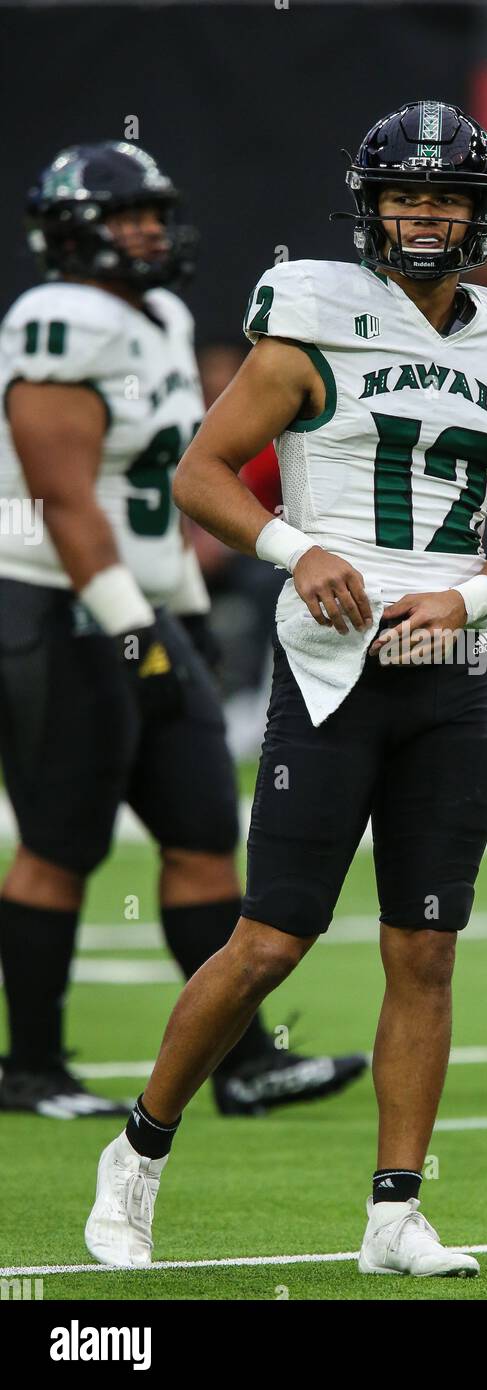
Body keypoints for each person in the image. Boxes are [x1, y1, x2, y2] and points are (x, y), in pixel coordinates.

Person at [85, 100, 487, 1276]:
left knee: (427, 948)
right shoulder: (310, 312)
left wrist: (467, 599)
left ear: (475, 213)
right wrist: (296, 548)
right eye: (404, 195)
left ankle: (394, 1212)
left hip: (450, 670)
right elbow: (203, 473)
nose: (420, 215)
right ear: (369, 205)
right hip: (330, 666)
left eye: (443, 197)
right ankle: (137, 1155)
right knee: (269, 940)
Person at [0, 141, 366, 1118]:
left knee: (205, 834)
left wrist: (185, 622)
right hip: (58, 607)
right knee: (59, 843)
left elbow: (160, 495)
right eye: (130, 217)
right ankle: (30, 1064)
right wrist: (135, 630)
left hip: (145, 608)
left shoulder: (158, 313)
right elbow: (66, 502)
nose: (152, 232)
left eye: (157, 213)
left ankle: (239, 1064)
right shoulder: (53, 319)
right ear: (74, 229)